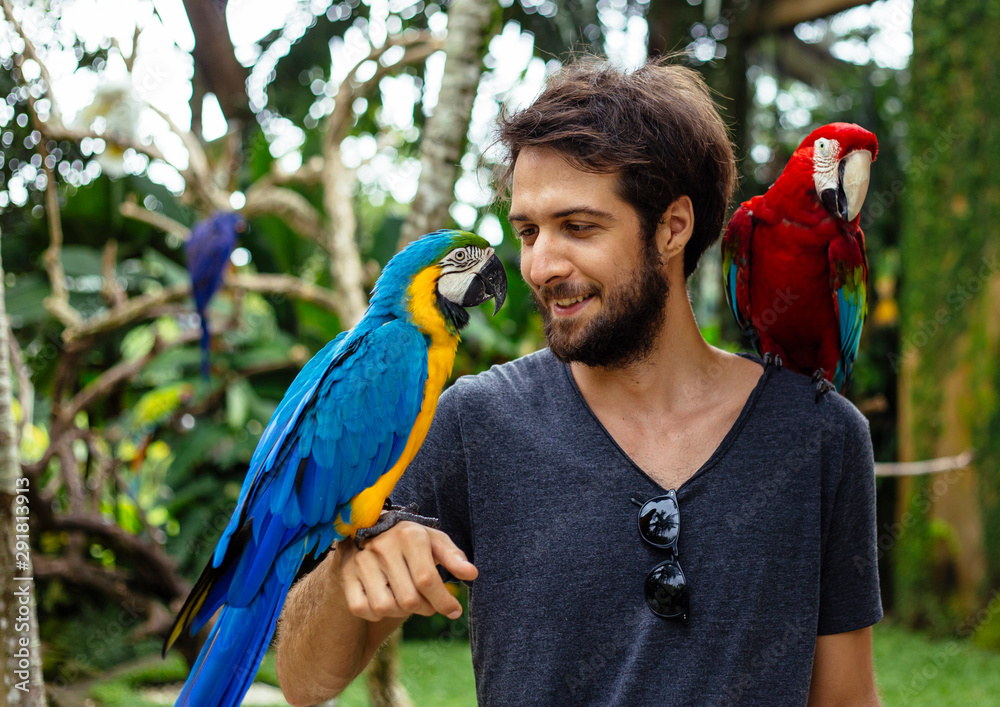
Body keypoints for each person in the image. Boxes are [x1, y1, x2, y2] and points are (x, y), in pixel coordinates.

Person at [274, 57, 882, 706]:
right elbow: (302, 679)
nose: (538, 265)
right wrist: (349, 575)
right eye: (528, 231)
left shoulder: (822, 437)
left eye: (578, 227)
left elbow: (846, 697)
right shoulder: (476, 420)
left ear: (673, 227)